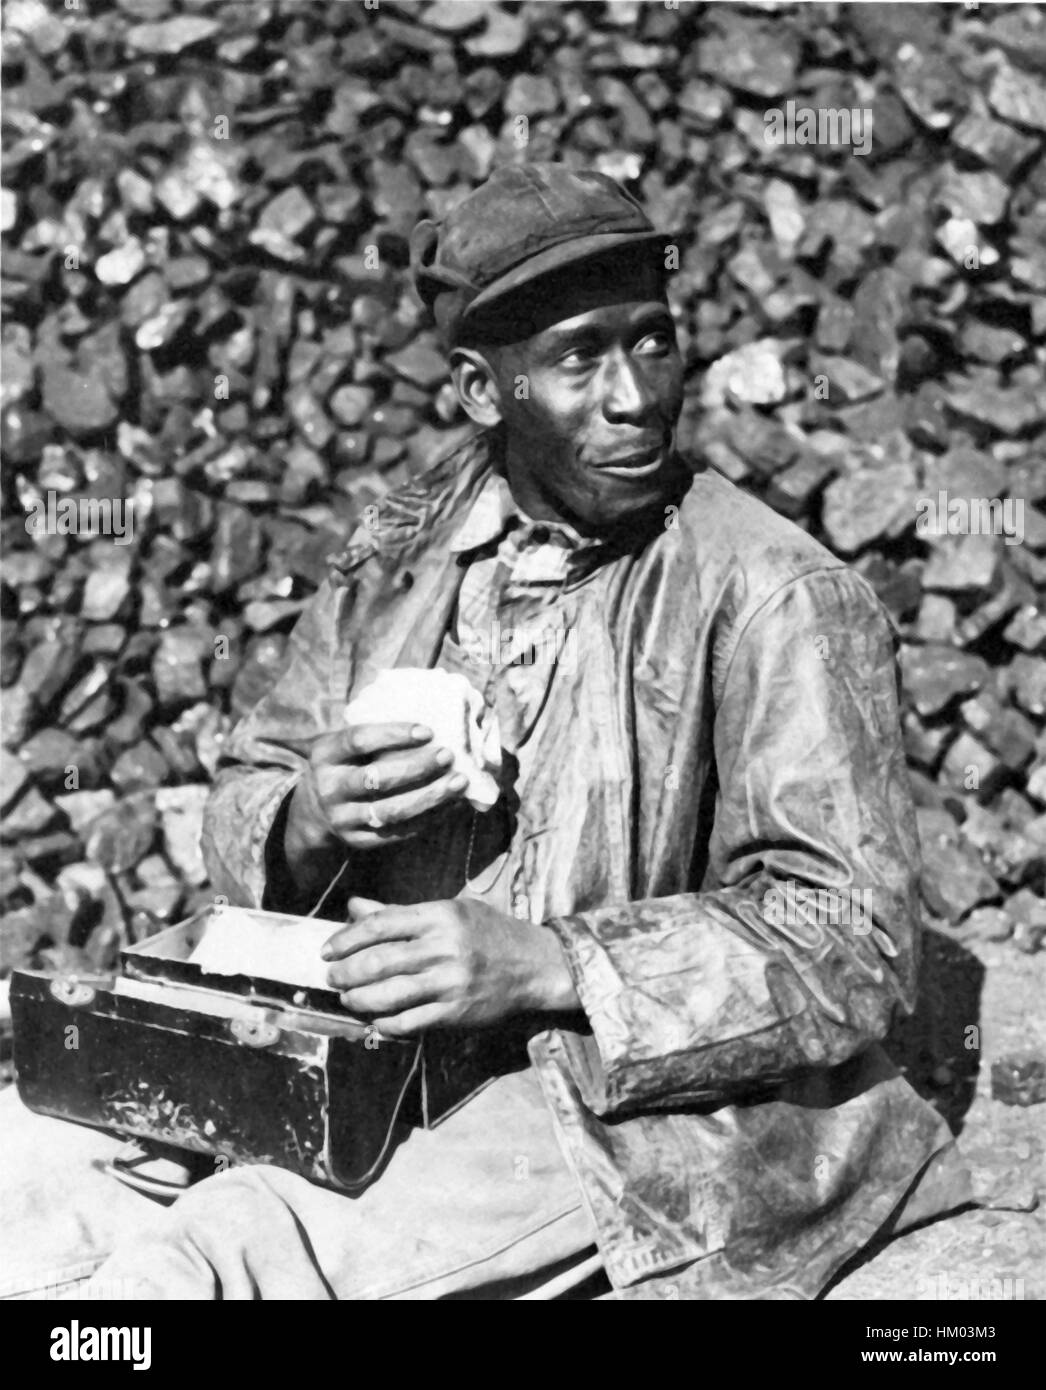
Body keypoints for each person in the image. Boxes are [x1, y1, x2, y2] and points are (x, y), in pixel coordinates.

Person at [0, 162, 967, 1301]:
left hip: (618, 1106)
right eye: (579, 357)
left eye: (651, 343)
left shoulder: (770, 592)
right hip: (367, 1058)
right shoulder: (401, 552)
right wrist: (308, 818)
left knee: (218, 1253)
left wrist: (552, 962)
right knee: (31, 1182)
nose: (634, 397)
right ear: (477, 389)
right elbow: (249, 787)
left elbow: (851, 941)